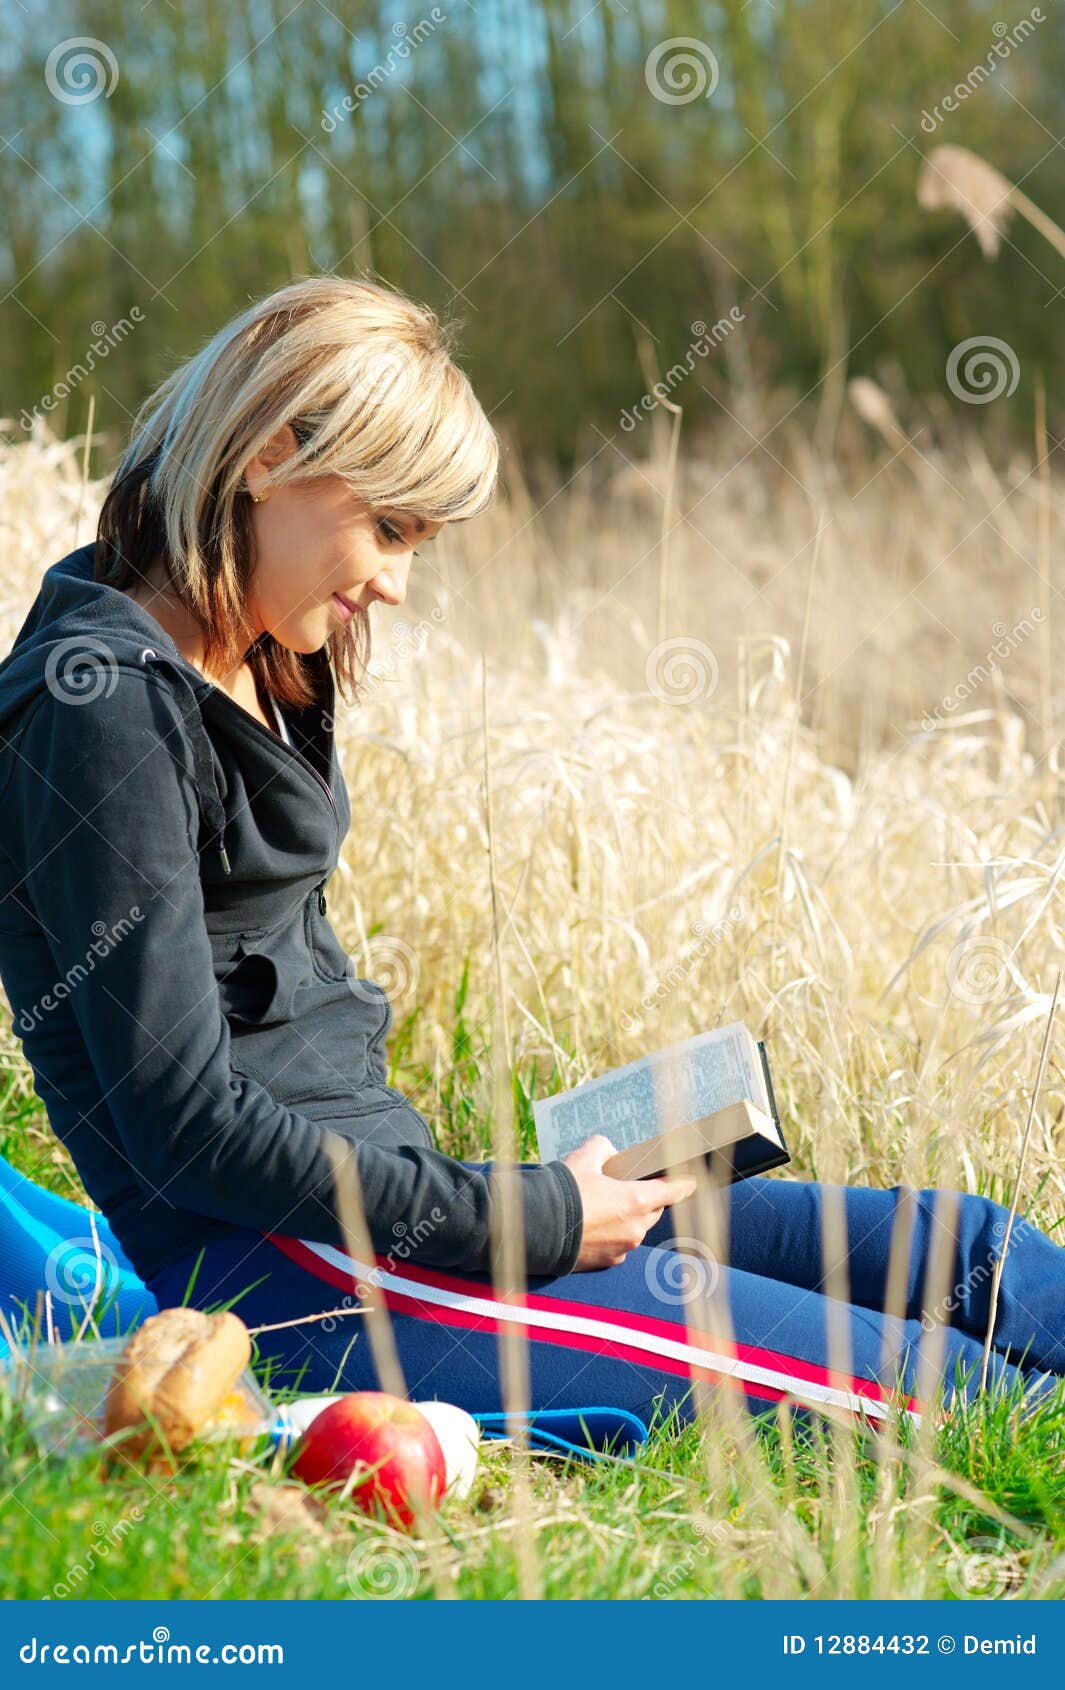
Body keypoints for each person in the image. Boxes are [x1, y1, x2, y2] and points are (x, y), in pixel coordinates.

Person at [0, 275, 1061, 1436]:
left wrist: (524, 1195)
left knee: (974, 1252)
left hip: (406, 1201)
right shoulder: (98, 708)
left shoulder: (253, 644)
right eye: (390, 527)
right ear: (266, 452)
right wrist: (534, 1219)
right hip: (318, 1284)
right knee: (939, 1391)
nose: (396, 584)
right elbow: (185, 1127)